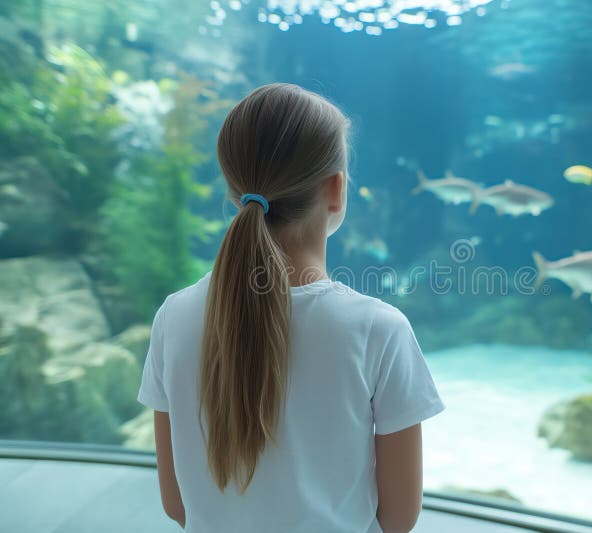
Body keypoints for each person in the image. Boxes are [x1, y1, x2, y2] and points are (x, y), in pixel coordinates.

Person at [137, 83, 445, 533]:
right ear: (336, 189)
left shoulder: (173, 317)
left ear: (233, 191)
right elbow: (398, 520)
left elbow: (176, 504)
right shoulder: (379, 330)